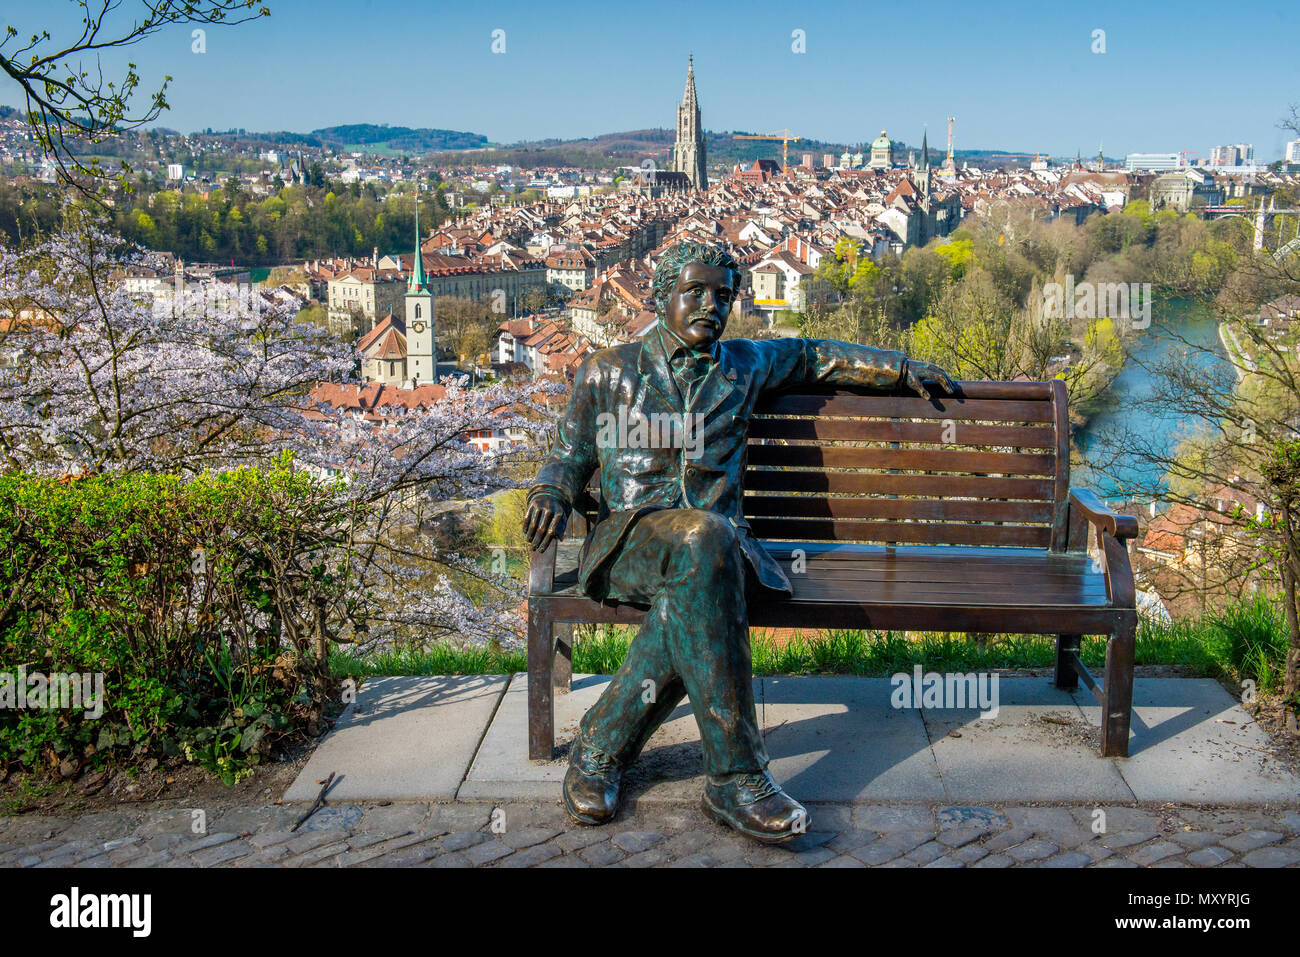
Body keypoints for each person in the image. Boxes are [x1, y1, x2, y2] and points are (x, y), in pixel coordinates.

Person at [524, 242, 955, 843]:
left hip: (719, 548)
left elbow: (813, 355)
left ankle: (602, 745)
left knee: (701, 570)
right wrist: (549, 493)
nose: (712, 305)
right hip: (628, 544)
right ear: (662, 295)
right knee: (704, 546)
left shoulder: (743, 364)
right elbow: (567, 457)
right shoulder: (608, 369)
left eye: (724, 295)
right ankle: (736, 775)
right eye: (697, 291)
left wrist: (899, 368)